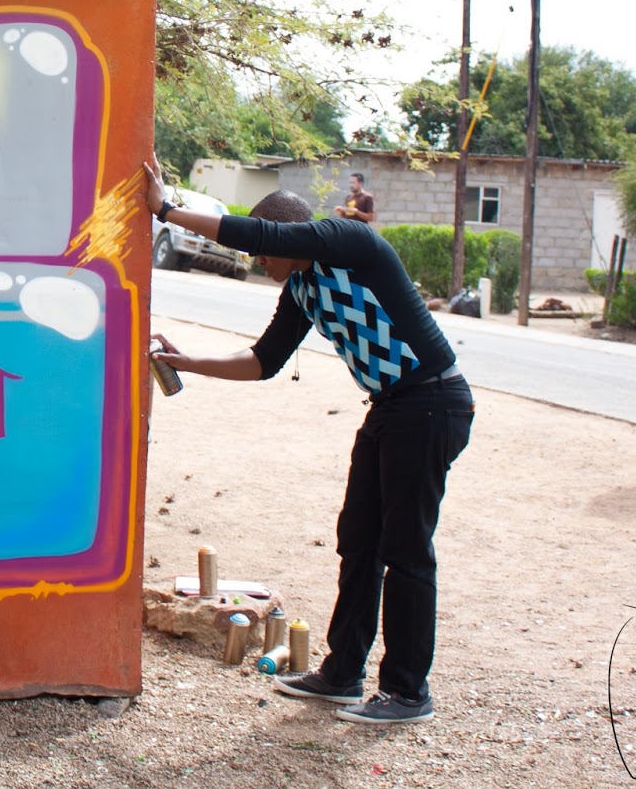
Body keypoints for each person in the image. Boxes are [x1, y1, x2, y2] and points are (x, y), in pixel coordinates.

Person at [146, 160, 471, 726]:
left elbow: (260, 234)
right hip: (391, 408)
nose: (259, 260)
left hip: (432, 402)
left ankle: (408, 692)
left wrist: (167, 211)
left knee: (407, 551)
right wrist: (186, 362)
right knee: (358, 540)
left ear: (289, 234)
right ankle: (343, 673)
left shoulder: (347, 241)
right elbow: (264, 360)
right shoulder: (300, 287)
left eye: (265, 251)